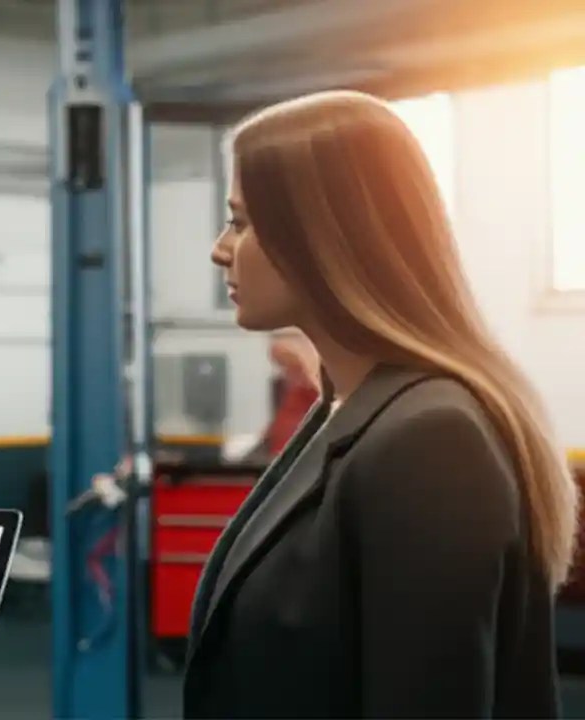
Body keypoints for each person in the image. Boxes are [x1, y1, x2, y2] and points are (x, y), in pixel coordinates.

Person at [191, 89, 579, 718]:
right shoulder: (345, 411)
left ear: (321, 235)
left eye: (240, 222)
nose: (220, 247)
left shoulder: (430, 441)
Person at [243, 330, 321, 462]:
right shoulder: (287, 390)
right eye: (281, 366)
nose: (286, 374)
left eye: (291, 366)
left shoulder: (319, 397)